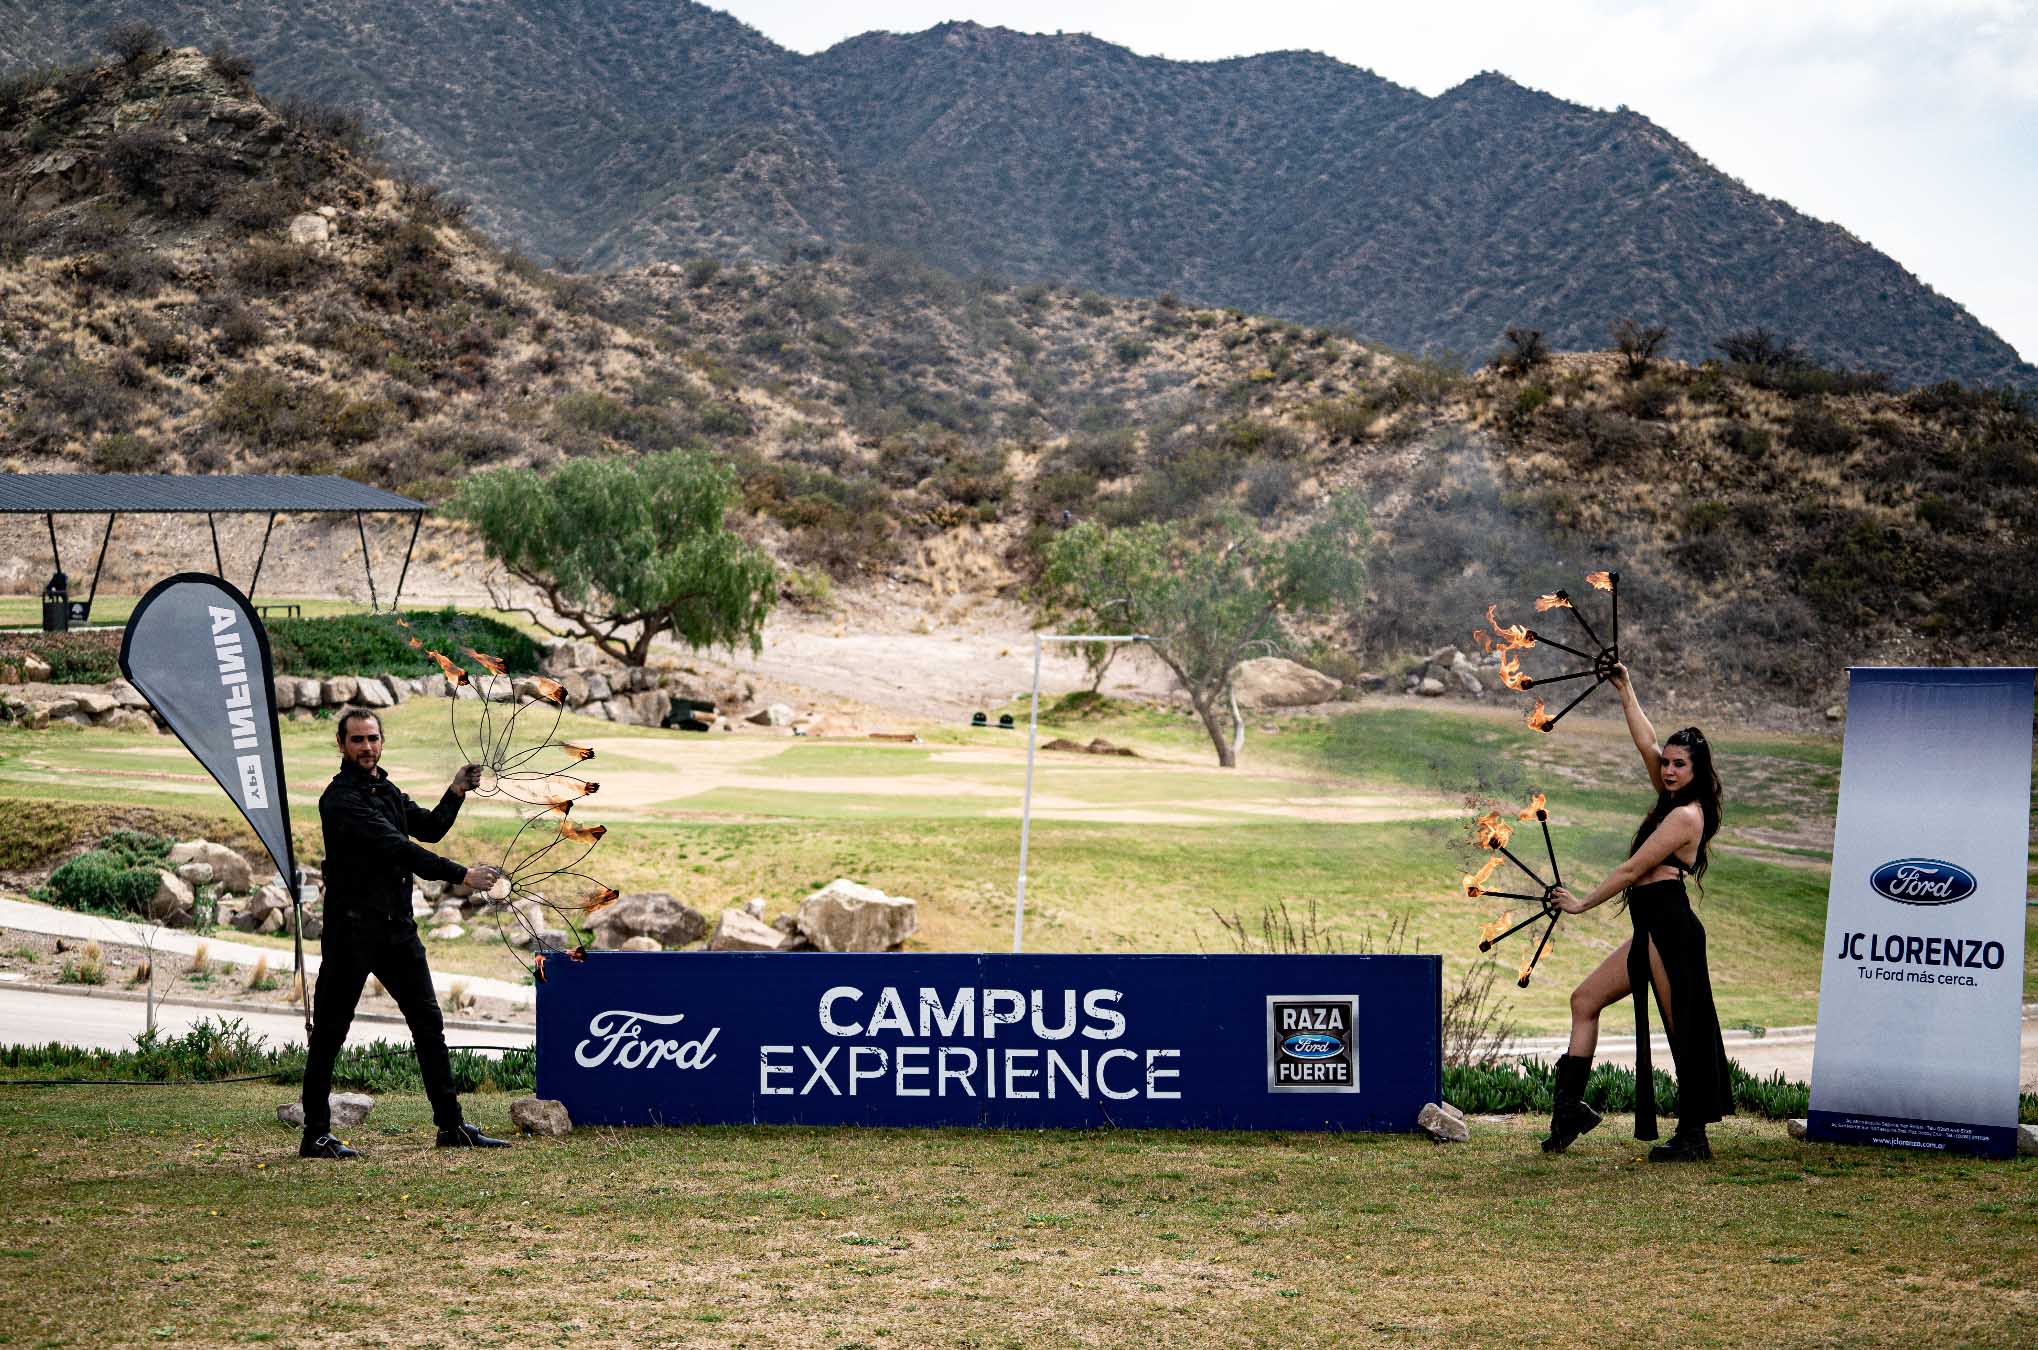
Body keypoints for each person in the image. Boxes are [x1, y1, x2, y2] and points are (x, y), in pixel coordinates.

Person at [298, 707, 511, 1158]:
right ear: (341, 745)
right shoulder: (339, 800)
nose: (367, 747)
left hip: (396, 930)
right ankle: (315, 1134)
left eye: (373, 738)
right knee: (331, 1031)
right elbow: (398, 847)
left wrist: (455, 790)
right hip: (351, 932)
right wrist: (461, 874)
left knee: (428, 1023)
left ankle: (450, 1127)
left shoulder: (387, 790)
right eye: (357, 740)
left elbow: (430, 829)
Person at [1546, 665, 1732, 1162]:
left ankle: (1694, 1136)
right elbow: (1646, 743)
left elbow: (1631, 870)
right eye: (1667, 763)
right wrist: (1625, 689)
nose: (1668, 770)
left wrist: (1582, 903)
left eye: (1679, 765)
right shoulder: (1671, 797)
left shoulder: (1685, 816)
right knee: (1584, 999)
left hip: (1672, 931)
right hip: (1650, 927)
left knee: (1683, 1033)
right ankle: (1569, 1112)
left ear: (1697, 772)